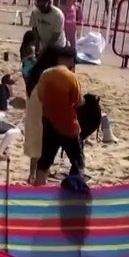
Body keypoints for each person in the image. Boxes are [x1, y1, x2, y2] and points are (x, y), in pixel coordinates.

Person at [34, 47, 84, 185]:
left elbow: (40, 96)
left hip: (48, 122)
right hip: (68, 125)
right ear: (68, 60)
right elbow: (78, 102)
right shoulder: (71, 77)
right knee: (77, 160)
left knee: (45, 160)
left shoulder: (45, 74)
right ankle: (77, 191)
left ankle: (39, 189)